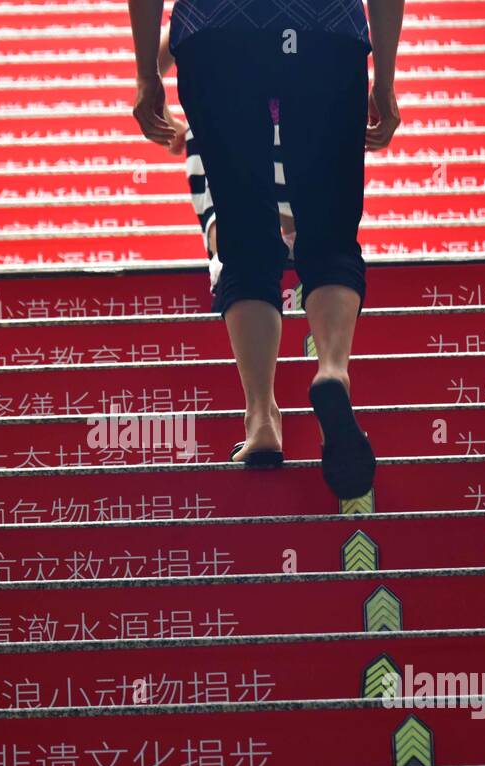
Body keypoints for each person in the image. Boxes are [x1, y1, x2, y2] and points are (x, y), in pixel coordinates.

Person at [129, 0, 403, 499]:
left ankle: (261, 421)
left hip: (219, 40)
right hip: (325, 35)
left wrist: (147, 72)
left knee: (245, 239)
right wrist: (384, 78)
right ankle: (333, 372)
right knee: (330, 234)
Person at [155, 21, 296, 294]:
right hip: (293, 111)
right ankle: (293, 248)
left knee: (224, 203)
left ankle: (224, 262)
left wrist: (154, 92)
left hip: (224, 102)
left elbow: (176, 31)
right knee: (298, 217)